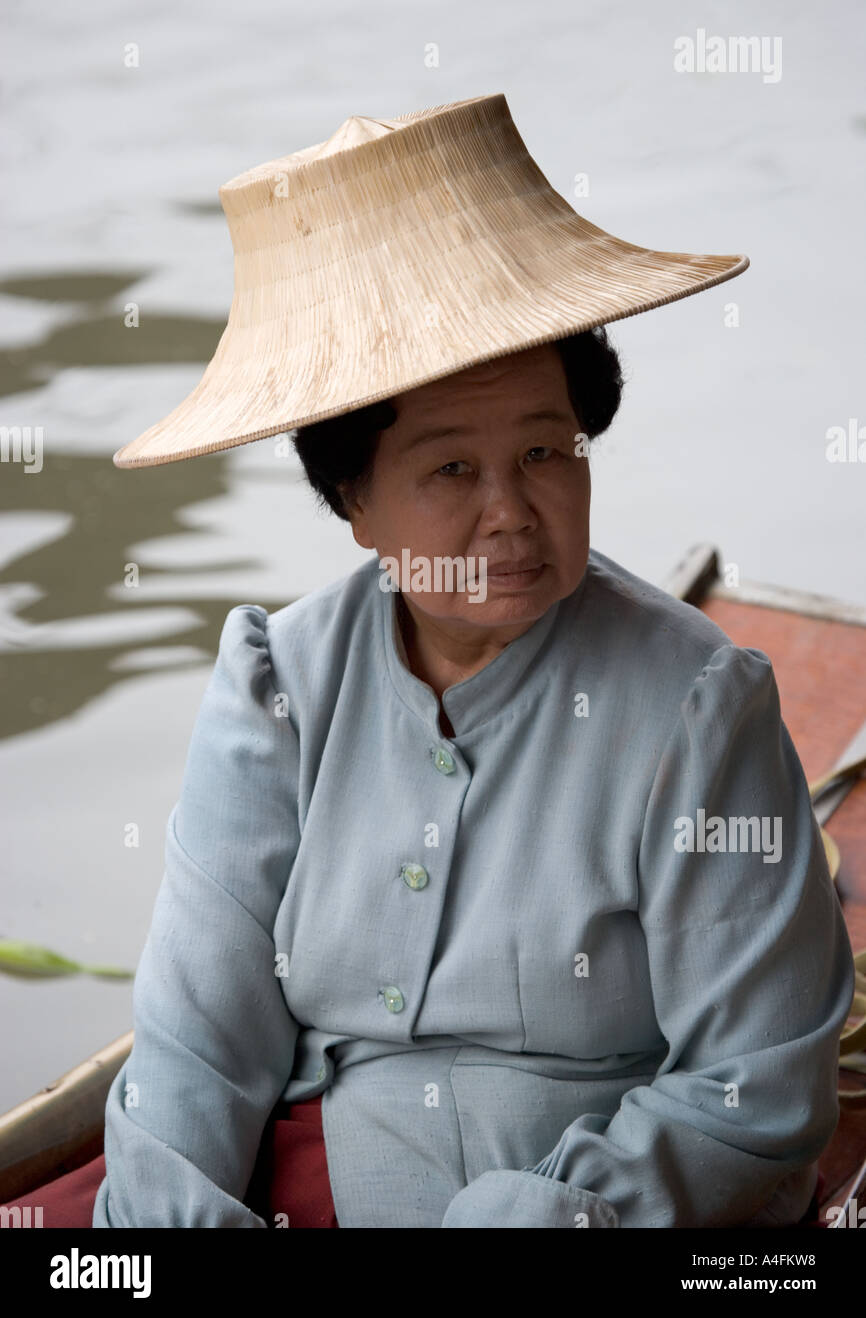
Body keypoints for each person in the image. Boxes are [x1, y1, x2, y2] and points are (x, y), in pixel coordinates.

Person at [33, 93, 860, 1228]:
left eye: (541, 450)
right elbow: (197, 1041)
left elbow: (750, 1095)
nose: (511, 512)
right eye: (450, 470)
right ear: (353, 500)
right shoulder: (278, 685)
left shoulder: (695, 709)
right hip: (301, 1171)